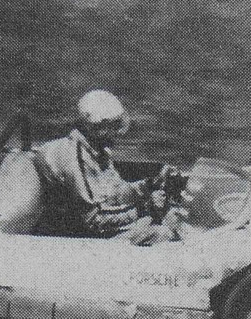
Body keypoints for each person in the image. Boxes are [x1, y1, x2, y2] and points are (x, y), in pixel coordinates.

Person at [36, 90, 180, 245]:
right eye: (113, 127)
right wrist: (143, 209)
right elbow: (94, 219)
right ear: (99, 129)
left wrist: (149, 186)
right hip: (77, 238)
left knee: (169, 217)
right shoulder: (76, 161)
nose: (117, 133)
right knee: (161, 233)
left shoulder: (99, 150)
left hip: (92, 225)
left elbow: (116, 192)